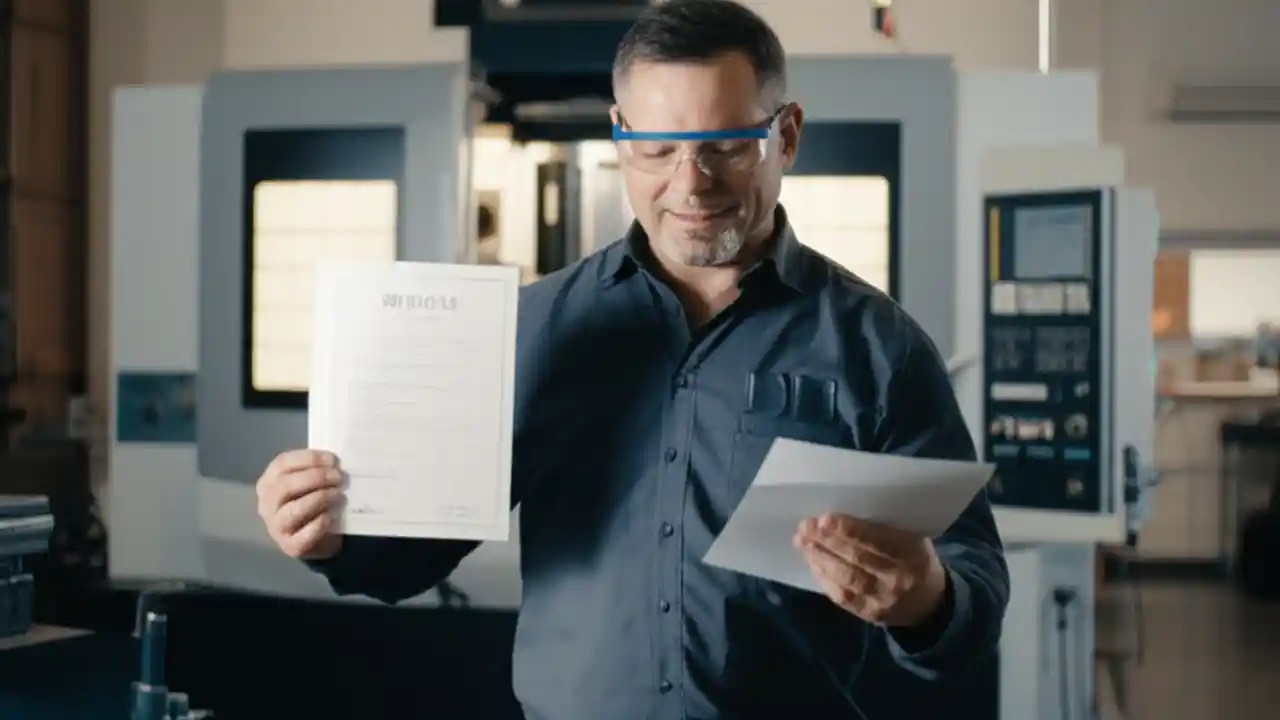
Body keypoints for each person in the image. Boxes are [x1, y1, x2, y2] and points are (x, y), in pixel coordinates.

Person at [254, 1, 1009, 717]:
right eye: (656, 149)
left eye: (725, 146)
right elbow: (412, 556)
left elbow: (973, 592)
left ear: (786, 135)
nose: (691, 184)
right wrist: (331, 533)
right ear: (619, 135)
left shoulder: (878, 348)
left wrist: (928, 598)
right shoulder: (538, 326)